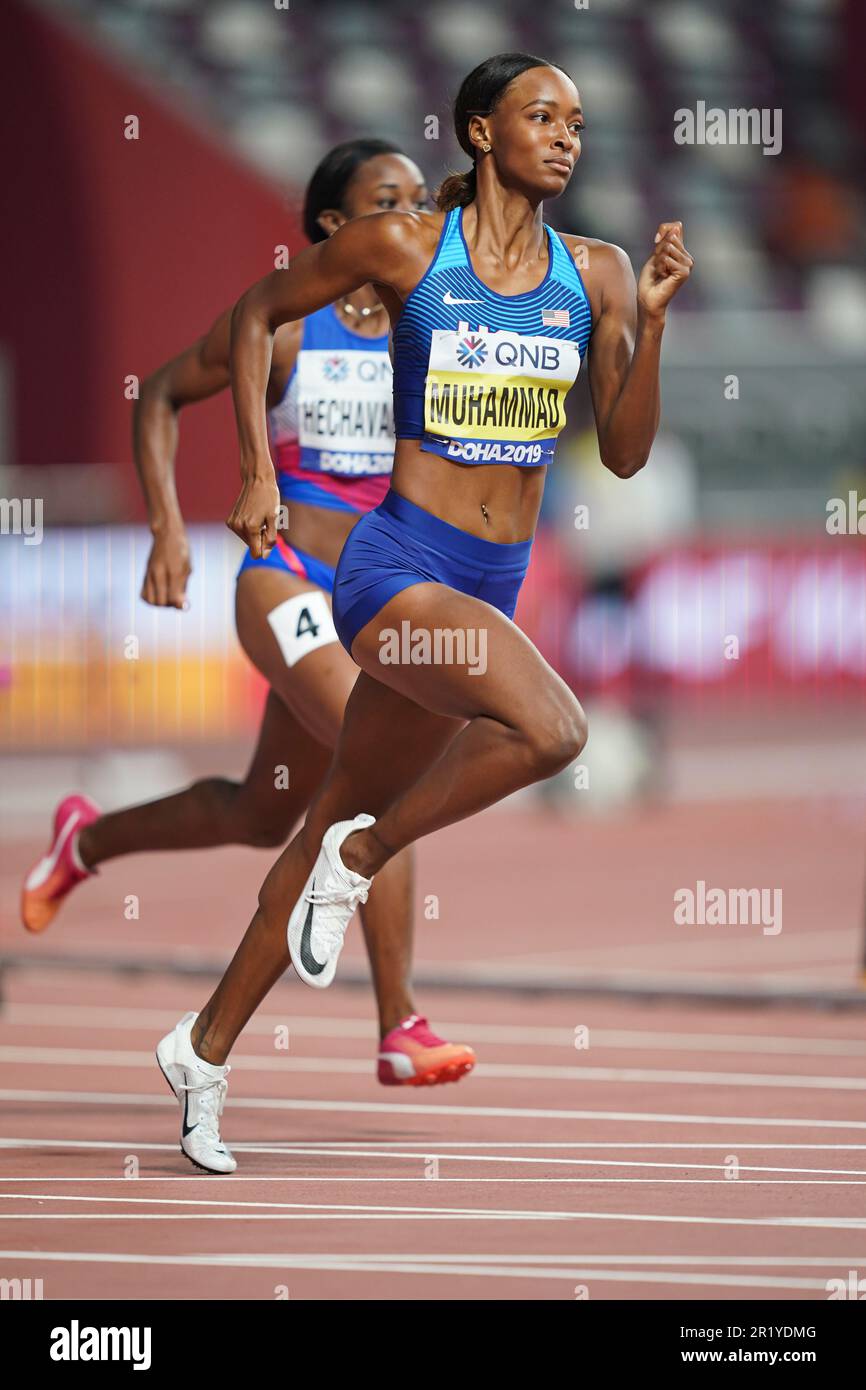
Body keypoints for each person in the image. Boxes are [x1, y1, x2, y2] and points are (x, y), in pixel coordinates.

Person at [155, 52, 693, 1174]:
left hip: (488, 579)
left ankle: (201, 1050)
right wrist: (254, 469)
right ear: (480, 131)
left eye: (578, 122)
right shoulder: (408, 247)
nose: (566, 136)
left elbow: (629, 454)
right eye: (540, 116)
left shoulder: (592, 273)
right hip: (393, 572)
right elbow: (256, 315)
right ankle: (371, 854)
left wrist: (647, 325)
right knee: (554, 730)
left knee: (323, 816)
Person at [20, 141, 476, 1136]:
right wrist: (170, 526)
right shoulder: (287, 325)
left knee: (261, 808)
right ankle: (400, 1023)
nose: (404, 214)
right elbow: (159, 399)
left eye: (414, 198)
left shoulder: (426, 323)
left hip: (375, 602)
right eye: (382, 201)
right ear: (330, 227)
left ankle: (83, 840)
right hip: (286, 581)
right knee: (382, 773)